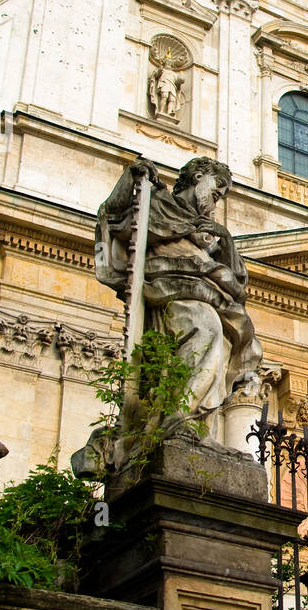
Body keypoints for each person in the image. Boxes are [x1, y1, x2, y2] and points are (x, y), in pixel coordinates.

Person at [95, 155, 262, 437]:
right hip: (168, 289)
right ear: (199, 177)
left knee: (221, 339)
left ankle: (194, 425)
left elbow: (238, 280)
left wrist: (224, 238)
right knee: (206, 327)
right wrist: (131, 178)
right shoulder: (158, 203)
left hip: (205, 292)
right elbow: (112, 216)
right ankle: (179, 418)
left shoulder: (211, 230)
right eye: (217, 187)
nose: (218, 197)